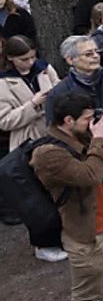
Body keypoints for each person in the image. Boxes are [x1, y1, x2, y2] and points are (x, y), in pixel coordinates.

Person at [32, 92, 103, 301]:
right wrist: (99, 139)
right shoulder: (47, 153)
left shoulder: (81, 135)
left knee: (98, 288)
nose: (92, 122)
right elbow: (90, 175)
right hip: (86, 234)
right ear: (68, 120)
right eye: (87, 118)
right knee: (85, 297)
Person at [0, 35, 64, 260]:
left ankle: (64, 234)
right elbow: (5, 121)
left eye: (32, 56)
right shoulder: (3, 83)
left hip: (53, 135)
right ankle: (44, 245)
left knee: (60, 188)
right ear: (10, 58)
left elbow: (60, 91)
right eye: (24, 59)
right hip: (26, 143)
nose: (30, 62)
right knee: (35, 197)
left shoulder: (45, 69)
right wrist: (33, 105)